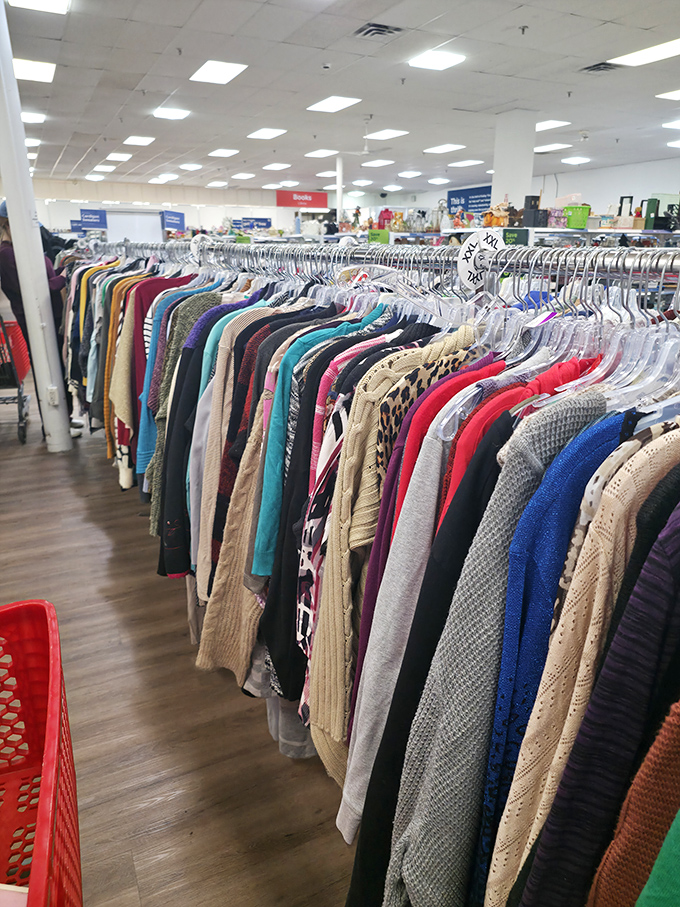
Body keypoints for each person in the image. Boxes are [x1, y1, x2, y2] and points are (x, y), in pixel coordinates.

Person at [0, 200, 82, 437]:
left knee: (57, 366)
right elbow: (31, 292)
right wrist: (65, 277)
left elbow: (44, 278)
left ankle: (63, 419)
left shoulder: (22, 250)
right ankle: (54, 426)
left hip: (50, 316)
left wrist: (65, 270)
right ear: (8, 224)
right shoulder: (7, 255)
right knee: (48, 368)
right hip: (34, 321)